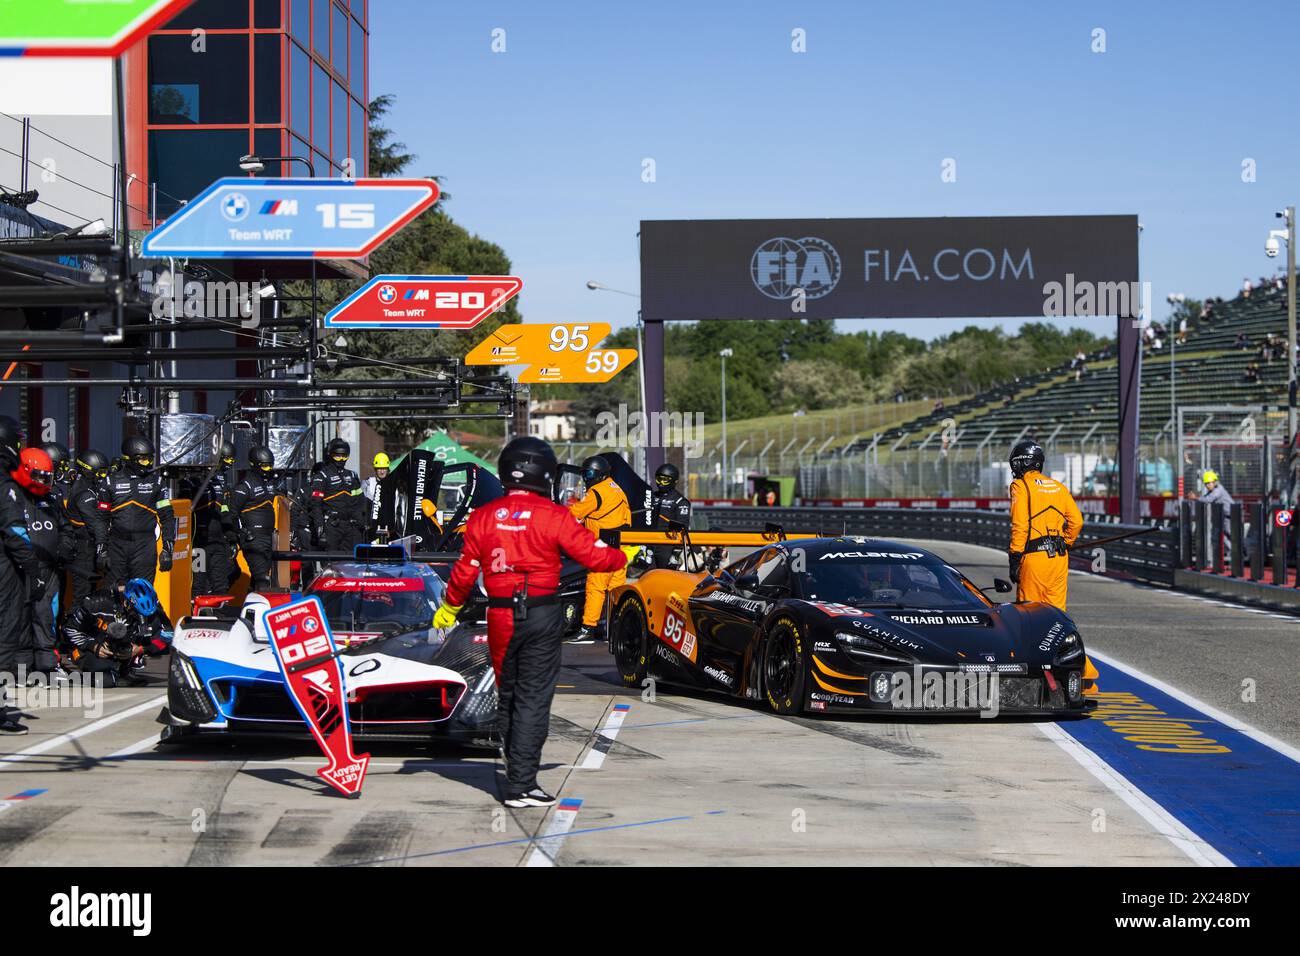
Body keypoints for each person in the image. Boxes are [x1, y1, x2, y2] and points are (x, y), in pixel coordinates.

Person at [432, 437, 628, 807]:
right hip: (540, 612)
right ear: (546, 473)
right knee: (533, 697)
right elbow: (594, 556)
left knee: (508, 693)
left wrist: (450, 607)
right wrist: (622, 555)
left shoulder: (484, 516)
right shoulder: (554, 516)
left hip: (499, 614)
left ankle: (514, 768)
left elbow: (463, 571)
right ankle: (522, 784)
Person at [11, 448, 72, 682]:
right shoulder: (12, 498)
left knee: (46, 615)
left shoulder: (53, 498)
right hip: (21, 570)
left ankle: (47, 666)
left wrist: (65, 547)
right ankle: (21, 668)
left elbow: (66, 527)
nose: (43, 481)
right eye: (38, 476)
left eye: (47, 477)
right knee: (21, 616)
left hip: (49, 569)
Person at [1007, 439, 1082, 610]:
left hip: (1034, 559)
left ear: (1026, 462)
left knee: (1029, 614)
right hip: (1059, 559)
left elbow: (1020, 525)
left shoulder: (1020, 486)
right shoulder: (1059, 487)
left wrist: (1015, 558)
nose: (1014, 468)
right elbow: (1077, 521)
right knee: (1057, 613)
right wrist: (1067, 541)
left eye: (1017, 463)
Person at [0, 417, 39, 733]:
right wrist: (33, 568)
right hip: (4, 572)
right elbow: (15, 533)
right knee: (4, 636)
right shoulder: (5, 487)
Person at [567, 455, 631, 643]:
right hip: (621, 549)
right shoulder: (616, 488)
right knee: (616, 591)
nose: (586, 477)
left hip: (603, 549)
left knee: (595, 588)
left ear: (598, 474)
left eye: (588, 473)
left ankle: (587, 628)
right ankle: (614, 628)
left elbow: (574, 513)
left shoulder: (596, 492)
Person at [64, 579, 172, 688]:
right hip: (87, 646)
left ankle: (122, 670)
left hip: (119, 647)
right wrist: (93, 646)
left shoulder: (151, 603)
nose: (142, 618)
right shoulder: (96, 602)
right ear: (126, 603)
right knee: (106, 680)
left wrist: (141, 649)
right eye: (137, 613)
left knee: (150, 635)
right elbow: (69, 628)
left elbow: (168, 634)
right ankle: (74, 677)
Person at [102, 435, 176, 587]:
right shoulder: (110, 481)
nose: (148, 464)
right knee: (113, 592)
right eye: (143, 459)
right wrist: (101, 548)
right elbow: (100, 519)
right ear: (130, 458)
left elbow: (167, 516)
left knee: (143, 591)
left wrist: (168, 548)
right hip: (117, 545)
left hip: (144, 546)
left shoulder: (157, 482)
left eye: (150, 459)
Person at [188, 441, 238, 596]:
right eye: (227, 460)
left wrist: (231, 536)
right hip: (199, 543)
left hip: (218, 541)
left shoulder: (219, 483)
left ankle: (220, 613)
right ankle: (195, 613)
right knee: (197, 581)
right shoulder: (191, 482)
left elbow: (224, 509)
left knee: (221, 582)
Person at [65, 450, 111, 607]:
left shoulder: (92, 486)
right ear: (87, 471)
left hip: (91, 546)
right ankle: (75, 627)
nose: (103, 477)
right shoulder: (83, 493)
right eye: (101, 473)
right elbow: (95, 523)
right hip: (83, 549)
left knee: (93, 592)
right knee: (83, 594)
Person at [231, 446, 279, 592]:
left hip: (268, 537)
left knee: (260, 578)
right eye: (264, 466)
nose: (268, 470)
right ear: (254, 465)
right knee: (262, 579)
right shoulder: (244, 486)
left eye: (270, 466)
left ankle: (250, 608)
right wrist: (237, 535)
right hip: (252, 539)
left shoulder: (270, 484)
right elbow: (232, 512)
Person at [309, 437, 366, 552]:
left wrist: (362, 522)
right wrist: (319, 526)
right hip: (332, 526)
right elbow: (316, 504)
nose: (341, 459)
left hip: (350, 526)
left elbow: (360, 501)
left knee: (349, 562)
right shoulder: (322, 476)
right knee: (332, 562)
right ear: (331, 455)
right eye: (337, 456)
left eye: (344, 456)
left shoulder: (352, 475)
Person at [649, 462, 692, 568]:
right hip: (649, 542)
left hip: (667, 545)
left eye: (665, 480)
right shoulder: (650, 497)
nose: (661, 483)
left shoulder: (680, 501)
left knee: (666, 577)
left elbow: (683, 527)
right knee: (646, 577)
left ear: (674, 481)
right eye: (659, 479)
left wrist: (676, 553)